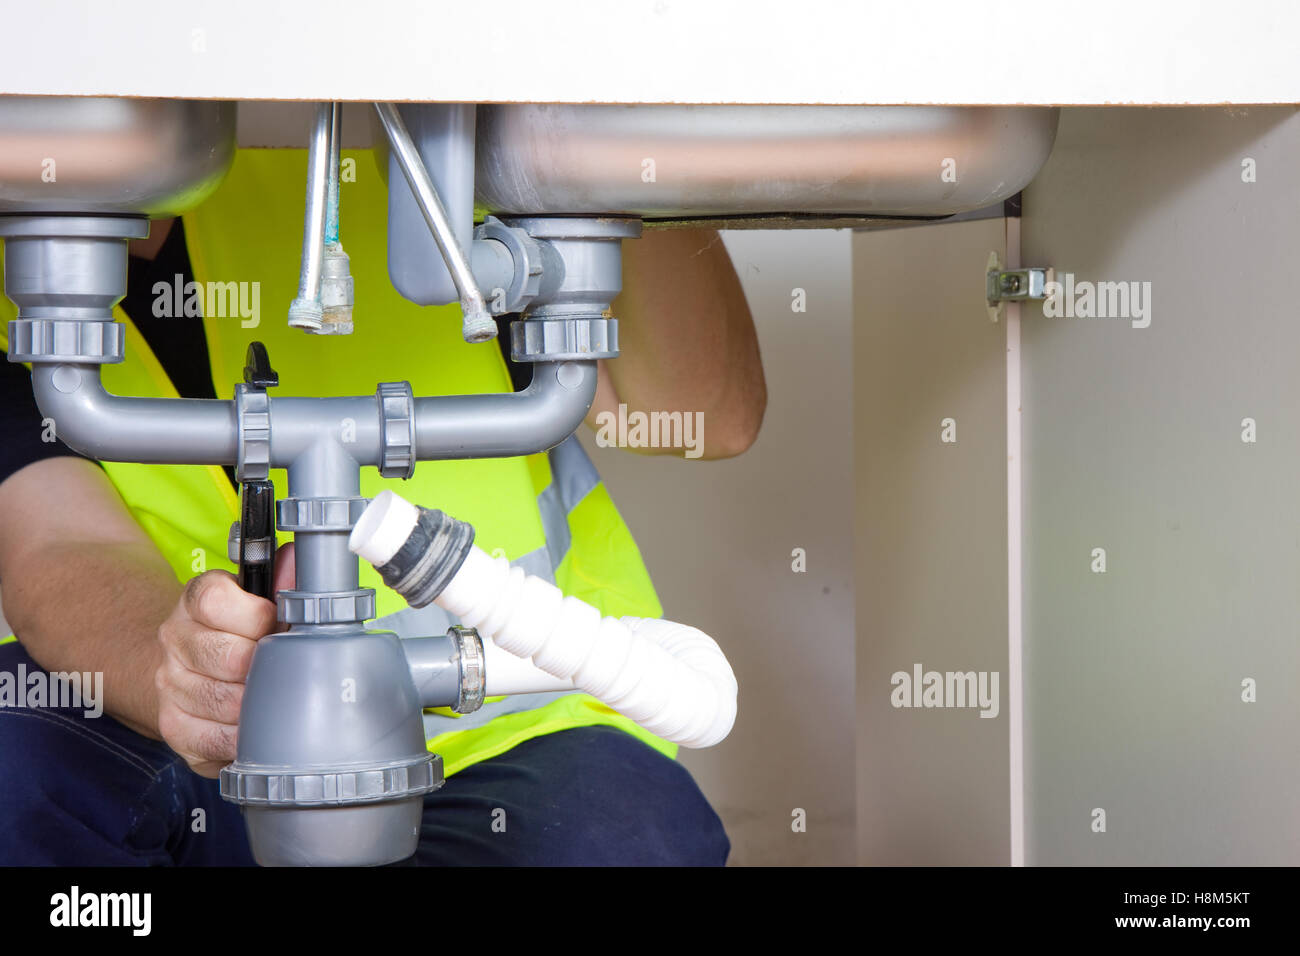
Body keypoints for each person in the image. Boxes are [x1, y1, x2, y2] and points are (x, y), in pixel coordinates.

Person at [0, 146, 765, 865]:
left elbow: (708, 412)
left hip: (513, 727)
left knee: (620, 838)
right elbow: (55, 541)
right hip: (208, 758)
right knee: (18, 766)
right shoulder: (16, 263)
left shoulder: (406, 145)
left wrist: (605, 111)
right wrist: (185, 674)